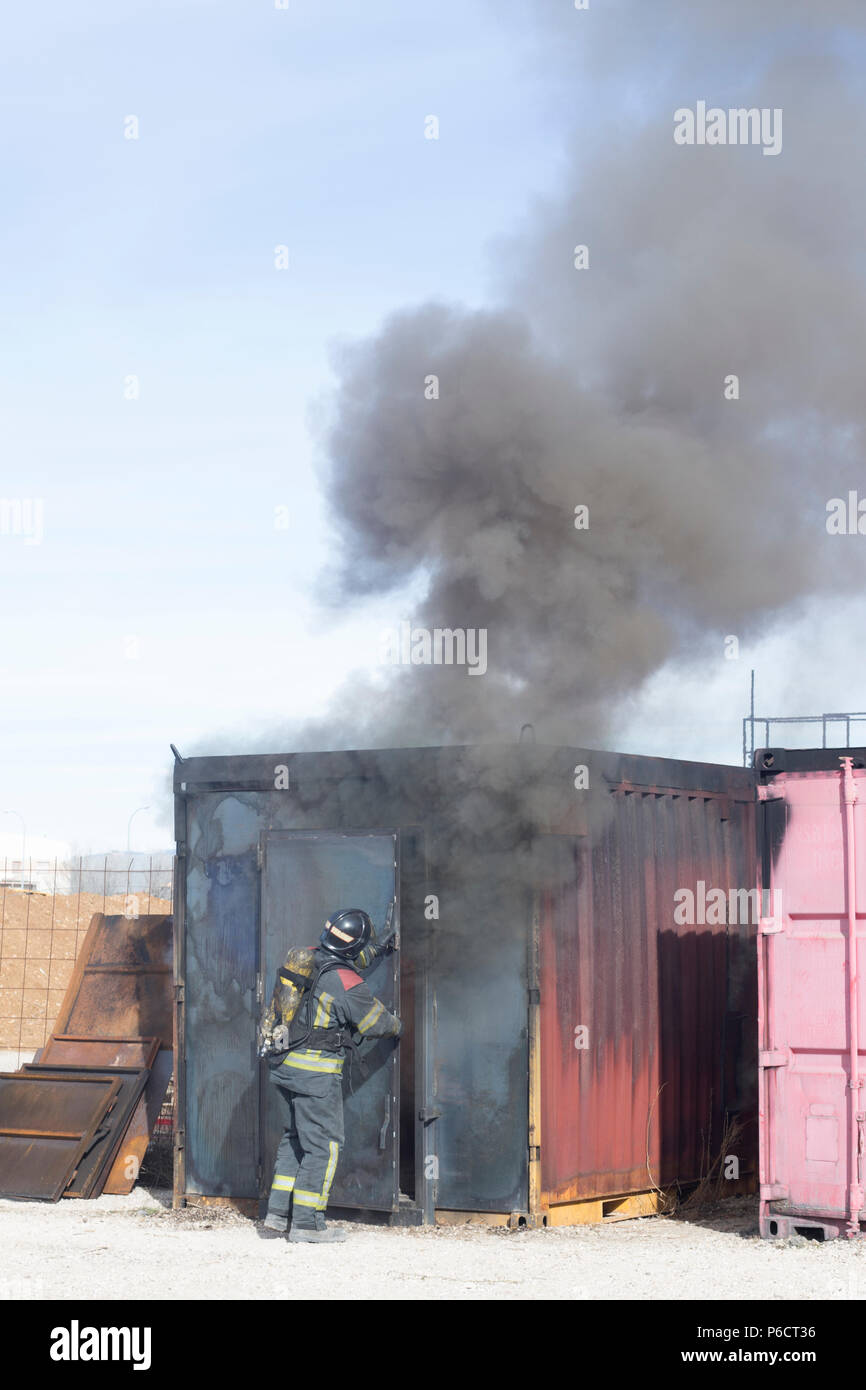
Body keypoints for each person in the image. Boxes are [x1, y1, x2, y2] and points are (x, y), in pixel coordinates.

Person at [258, 907, 401, 1244]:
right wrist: (401, 1025)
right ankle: (307, 1224)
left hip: (282, 1068)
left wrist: (379, 950)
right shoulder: (347, 982)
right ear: (353, 947)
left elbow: (343, 961)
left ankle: (278, 1214)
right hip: (315, 1075)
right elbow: (375, 1023)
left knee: (295, 1140)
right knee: (323, 1147)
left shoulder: (304, 959)